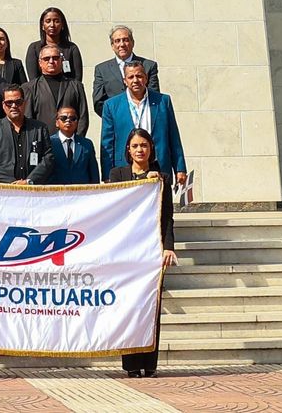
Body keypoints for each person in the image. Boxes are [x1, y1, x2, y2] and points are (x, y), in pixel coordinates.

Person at [109, 128, 178, 378]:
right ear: (128, 150)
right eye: (135, 146)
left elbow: (168, 217)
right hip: (126, 253)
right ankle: (131, 365)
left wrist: (168, 246)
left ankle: (149, 363)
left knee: (151, 307)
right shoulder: (117, 175)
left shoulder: (161, 179)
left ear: (150, 149)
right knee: (129, 307)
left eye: (144, 145)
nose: (140, 150)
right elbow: (113, 207)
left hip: (152, 252)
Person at [100, 57, 187, 182]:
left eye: (139, 76)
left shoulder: (163, 101)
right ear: (125, 81)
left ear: (146, 78)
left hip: (159, 165)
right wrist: (107, 175)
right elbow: (107, 143)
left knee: (161, 202)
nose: (135, 80)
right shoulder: (111, 105)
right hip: (125, 169)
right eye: (131, 77)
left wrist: (180, 168)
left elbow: (174, 137)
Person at [0, 85, 54, 184]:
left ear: (24, 103)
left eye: (18, 102)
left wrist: (28, 181)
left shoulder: (40, 128)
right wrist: (13, 183)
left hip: (32, 189)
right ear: (3, 105)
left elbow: (48, 158)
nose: (14, 106)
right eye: (9, 103)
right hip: (2, 190)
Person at [92, 25, 161, 124]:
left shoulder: (148, 65)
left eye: (125, 40)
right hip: (116, 124)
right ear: (112, 45)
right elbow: (98, 102)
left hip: (144, 123)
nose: (122, 44)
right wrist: (116, 119)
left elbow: (154, 95)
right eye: (117, 41)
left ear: (132, 43)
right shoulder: (102, 69)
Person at [26, 44, 90, 136]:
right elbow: (28, 119)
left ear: (61, 60)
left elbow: (83, 117)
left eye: (55, 58)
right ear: (40, 63)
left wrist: (76, 141)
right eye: (46, 59)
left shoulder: (76, 86)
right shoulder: (30, 88)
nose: (51, 61)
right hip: (42, 142)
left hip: (70, 143)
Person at [23, 6, 84, 82]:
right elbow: (33, 79)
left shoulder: (71, 48)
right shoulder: (34, 48)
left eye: (56, 21)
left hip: (68, 91)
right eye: (48, 21)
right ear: (42, 25)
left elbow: (77, 79)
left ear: (62, 25)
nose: (52, 25)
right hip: (42, 91)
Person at [46, 106, 100, 185]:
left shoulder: (86, 144)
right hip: (56, 193)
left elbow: (93, 174)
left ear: (77, 122)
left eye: (73, 118)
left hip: (81, 193)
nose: (68, 121)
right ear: (57, 122)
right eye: (63, 118)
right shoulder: (49, 143)